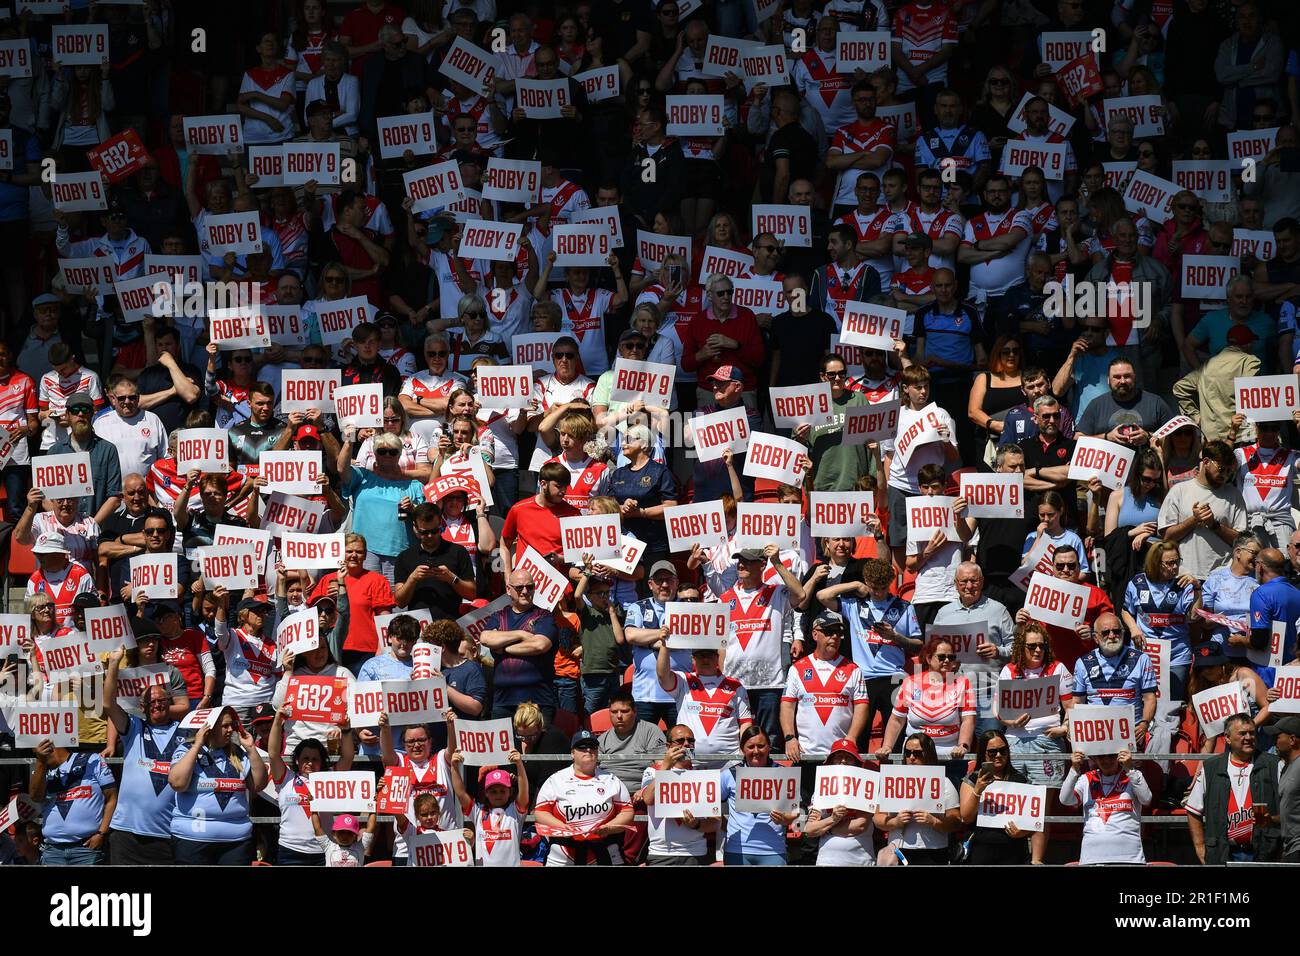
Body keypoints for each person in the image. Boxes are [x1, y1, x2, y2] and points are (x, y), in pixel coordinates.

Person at [100, 646, 183, 865]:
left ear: (169, 703)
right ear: (143, 707)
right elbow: (108, 704)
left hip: (166, 834)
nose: (158, 704)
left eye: (162, 700)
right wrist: (114, 663)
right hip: (126, 833)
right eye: (152, 702)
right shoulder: (134, 727)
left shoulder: (186, 732)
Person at [719, 544, 807, 741]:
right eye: (739, 560)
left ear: (761, 565)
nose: (741, 564)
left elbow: (800, 595)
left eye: (747, 561)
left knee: (770, 740)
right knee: (736, 739)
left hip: (769, 683)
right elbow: (721, 644)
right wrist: (722, 678)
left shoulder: (776, 593)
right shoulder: (725, 598)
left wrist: (777, 563)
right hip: (735, 681)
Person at [167, 706, 268, 866]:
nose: (230, 730)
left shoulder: (239, 753)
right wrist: (197, 745)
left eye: (232, 725)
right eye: (225, 726)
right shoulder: (186, 749)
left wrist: (250, 749)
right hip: (192, 839)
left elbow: (259, 784)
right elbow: (177, 783)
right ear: (210, 728)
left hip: (236, 842)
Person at [267, 707, 359, 866]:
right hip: (290, 851)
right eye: (305, 758)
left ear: (322, 761)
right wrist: (277, 720)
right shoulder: (285, 777)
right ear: (297, 760)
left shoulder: (329, 778)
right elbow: (273, 753)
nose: (310, 762)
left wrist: (346, 731)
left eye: (315, 759)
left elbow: (348, 756)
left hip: (324, 851)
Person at [534, 729, 634, 866]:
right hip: (562, 855)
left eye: (592, 746)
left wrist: (609, 827)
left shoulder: (611, 780)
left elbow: (627, 812)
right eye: (581, 747)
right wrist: (562, 827)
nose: (588, 750)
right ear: (572, 753)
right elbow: (540, 812)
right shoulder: (556, 780)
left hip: (605, 852)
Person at [780, 611, 869, 765]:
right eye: (828, 632)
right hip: (805, 755)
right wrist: (790, 737)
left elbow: (862, 706)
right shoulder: (797, 668)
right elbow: (787, 706)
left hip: (839, 757)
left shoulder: (853, 669)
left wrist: (852, 738)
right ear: (815, 635)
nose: (834, 637)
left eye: (838, 633)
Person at [878, 635, 976, 771]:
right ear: (929, 658)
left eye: (951, 657)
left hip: (950, 755)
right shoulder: (910, 682)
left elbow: (968, 720)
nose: (947, 661)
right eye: (941, 657)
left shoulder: (962, 683)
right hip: (916, 754)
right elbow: (896, 720)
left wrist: (963, 745)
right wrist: (887, 746)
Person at [1158, 440, 1248, 582]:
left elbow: (1241, 541)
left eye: (1229, 471)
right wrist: (1193, 520)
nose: (1224, 475)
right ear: (1206, 462)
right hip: (1185, 574)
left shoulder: (1234, 495)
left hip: (1222, 575)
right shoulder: (1179, 491)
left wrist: (1214, 525)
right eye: (1221, 469)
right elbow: (1167, 537)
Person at [1122, 540, 1201, 699]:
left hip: (1177, 654)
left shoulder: (1183, 584)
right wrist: (1134, 629)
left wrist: (1197, 588)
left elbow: (1194, 617)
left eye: (1177, 561)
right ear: (1156, 563)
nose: (1175, 567)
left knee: (1174, 701)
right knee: (1143, 699)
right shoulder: (1137, 583)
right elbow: (1125, 610)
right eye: (1170, 563)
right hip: (1145, 652)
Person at [655, 634, 751, 763]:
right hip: (690, 762)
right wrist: (665, 645)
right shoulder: (684, 680)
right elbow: (662, 675)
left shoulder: (735, 686)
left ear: (717, 658)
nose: (705, 659)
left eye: (709, 655)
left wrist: (742, 750)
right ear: (693, 659)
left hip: (729, 762)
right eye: (701, 656)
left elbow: (745, 722)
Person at [999, 621, 1074, 785]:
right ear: (1020, 646)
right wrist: (1010, 722)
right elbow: (998, 710)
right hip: (1014, 741)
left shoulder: (1057, 668)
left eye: (1042, 645)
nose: (1038, 650)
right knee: (1016, 800)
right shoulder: (1009, 670)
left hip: (1047, 740)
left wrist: (1064, 728)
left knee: (1044, 799)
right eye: (1032, 646)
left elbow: (1071, 707)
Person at [479, 570, 559, 722]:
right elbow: (486, 638)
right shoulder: (498, 616)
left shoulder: (544, 616)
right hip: (503, 702)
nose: (525, 591)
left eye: (530, 587)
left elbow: (539, 645)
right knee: (507, 747)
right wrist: (521, 635)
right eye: (519, 587)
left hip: (538, 701)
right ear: (508, 590)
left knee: (536, 745)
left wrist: (504, 648)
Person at [638, 724, 722, 866]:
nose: (686, 744)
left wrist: (696, 824)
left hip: (695, 853)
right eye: (680, 740)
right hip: (661, 853)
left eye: (691, 741)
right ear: (668, 746)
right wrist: (665, 767)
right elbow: (648, 799)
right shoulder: (652, 771)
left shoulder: (703, 775)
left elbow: (715, 822)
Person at [873, 732, 962, 865]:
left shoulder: (944, 782)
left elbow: (956, 820)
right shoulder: (893, 780)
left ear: (929, 754)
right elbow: (877, 817)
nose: (912, 757)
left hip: (933, 850)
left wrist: (934, 821)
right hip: (899, 850)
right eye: (908, 753)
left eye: (917, 753)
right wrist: (895, 822)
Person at [959, 729, 1045, 864]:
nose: (998, 755)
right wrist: (978, 791)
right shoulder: (972, 779)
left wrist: (1022, 832)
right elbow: (966, 817)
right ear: (983, 753)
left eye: (1003, 750)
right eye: (992, 752)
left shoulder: (1021, 781)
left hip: (1014, 851)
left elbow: (1035, 823)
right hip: (980, 850)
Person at [29, 736, 118, 866]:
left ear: (50, 747)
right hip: (52, 850)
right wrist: (41, 762)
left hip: (86, 848)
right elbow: (35, 797)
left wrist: (101, 833)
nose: (37, 757)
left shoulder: (92, 760)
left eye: (37, 753)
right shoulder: (41, 770)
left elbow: (112, 798)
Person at [719, 726, 799, 865]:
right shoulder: (729, 774)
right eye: (751, 747)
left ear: (769, 747)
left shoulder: (784, 774)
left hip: (773, 850)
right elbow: (710, 804)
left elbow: (796, 812)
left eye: (761, 746)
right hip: (737, 850)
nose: (756, 751)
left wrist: (785, 819)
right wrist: (722, 823)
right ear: (742, 749)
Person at [1073, 612, 1158, 743]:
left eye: (1116, 631)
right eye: (1106, 632)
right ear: (1095, 638)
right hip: (1096, 735)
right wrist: (1070, 725)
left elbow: (1149, 698)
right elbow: (1077, 702)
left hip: (1131, 733)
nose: (1112, 636)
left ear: (1123, 633)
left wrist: (1144, 724)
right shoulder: (1083, 663)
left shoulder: (1141, 659)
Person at [1060, 747, 1152, 865]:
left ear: (1119, 756)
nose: (1107, 760)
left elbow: (1146, 799)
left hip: (1130, 857)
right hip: (1091, 858)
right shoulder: (1086, 778)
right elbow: (1065, 800)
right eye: (1102, 756)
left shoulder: (1133, 775)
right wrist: (1074, 769)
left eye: (1112, 756)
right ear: (1095, 758)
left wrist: (1130, 770)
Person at [803, 739, 877, 866]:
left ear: (856, 763)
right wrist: (833, 818)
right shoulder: (821, 790)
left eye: (848, 757)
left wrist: (826, 829)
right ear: (831, 762)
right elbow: (809, 830)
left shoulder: (867, 785)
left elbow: (860, 825)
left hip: (861, 861)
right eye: (838, 757)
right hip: (827, 861)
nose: (843, 761)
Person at [394, 502, 475, 617]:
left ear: (441, 524)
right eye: (424, 532)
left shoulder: (458, 552)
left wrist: (451, 578)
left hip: (451, 624)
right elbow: (400, 602)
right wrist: (412, 579)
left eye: (434, 531)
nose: (430, 536)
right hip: (419, 627)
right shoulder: (405, 557)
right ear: (415, 528)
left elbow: (471, 594)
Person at [462, 755, 530, 867]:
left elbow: (524, 790)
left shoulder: (515, 811)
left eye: (502, 791)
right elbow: (460, 792)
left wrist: (519, 764)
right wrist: (455, 766)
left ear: (510, 792)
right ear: (486, 792)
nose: (498, 795)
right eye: (493, 791)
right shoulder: (478, 811)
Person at [597, 688, 668, 793]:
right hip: (608, 793)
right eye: (614, 712)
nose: (619, 716)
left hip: (641, 793)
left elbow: (661, 766)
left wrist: (646, 789)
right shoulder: (602, 739)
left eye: (625, 711)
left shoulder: (651, 731)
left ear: (635, 711)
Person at [1249, 548, 1300, 685]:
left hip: (1267, 672)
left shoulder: (1261, 593)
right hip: (1292, 673)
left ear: (1260, 566)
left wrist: (1240, 641)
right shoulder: (1297, 593)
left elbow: (1259, 641)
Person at [1264, 715, 1300, 863]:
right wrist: (1272, 819)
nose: (1274, 742)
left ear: (1292, 740)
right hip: (1290, 848)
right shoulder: (1286, 768)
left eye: (1277, 737)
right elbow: (1293, 809)